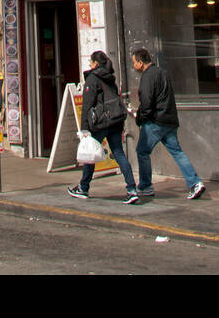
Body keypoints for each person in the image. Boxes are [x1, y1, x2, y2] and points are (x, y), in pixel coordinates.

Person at [131, 47, 205, 200]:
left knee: (142, 152)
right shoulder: (162, 73)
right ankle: (195, 182)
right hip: (169, 120)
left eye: (134, 63)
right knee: (177, 152)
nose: (134, 66)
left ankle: (145, 186)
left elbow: (146, 101)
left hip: (155, 122)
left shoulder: (148, 77)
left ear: (140, 62)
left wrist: (140, 117)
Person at [68, 51, 139, 204]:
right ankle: (132, 189)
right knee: (119, 154)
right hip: (115, 121)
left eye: (91, 62)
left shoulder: (93, 79)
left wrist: (84, 128)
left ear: (95, 64)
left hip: (100, 123)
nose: (89, 64)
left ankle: (83, 187)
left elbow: (87, 104)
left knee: (90, 153)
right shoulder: (110, 77)